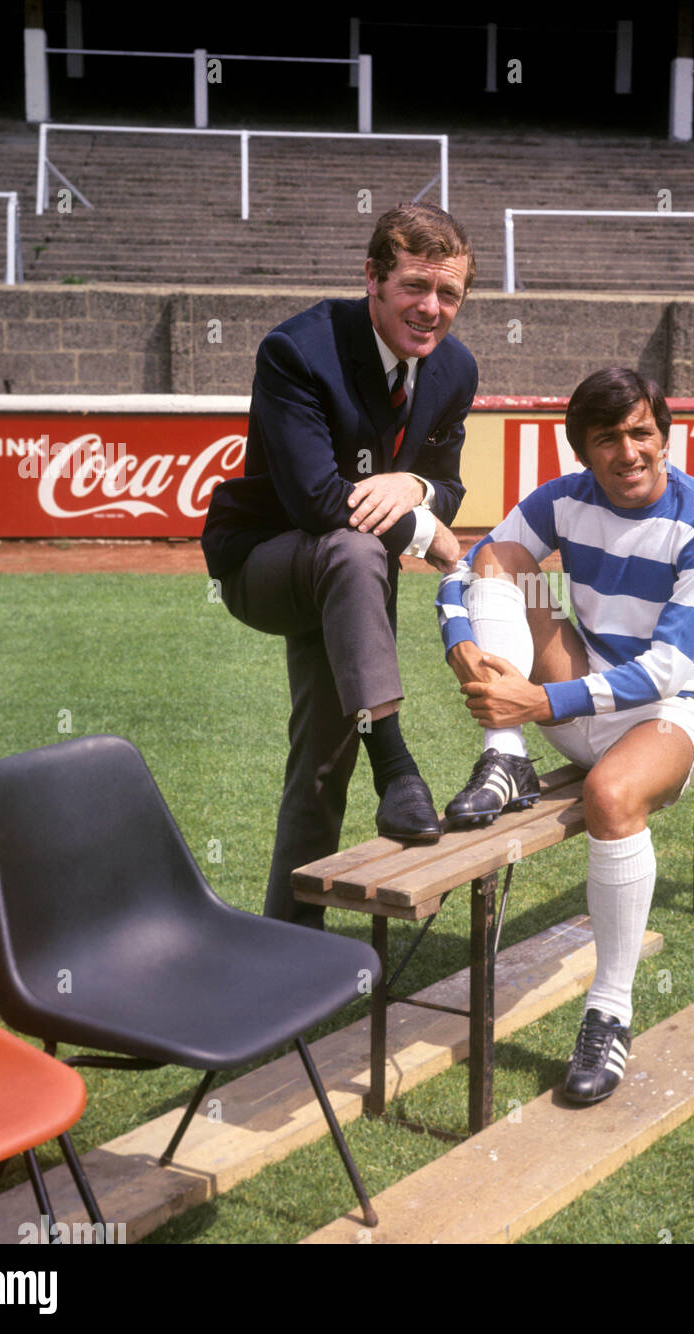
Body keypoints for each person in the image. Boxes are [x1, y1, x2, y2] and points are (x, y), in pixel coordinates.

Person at [435, 366, 694, 1104]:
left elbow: (668, 670)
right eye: (607, 439)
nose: (629, 452)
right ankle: (502, 760)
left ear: (663, 434)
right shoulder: (564, 499)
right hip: (581, 696)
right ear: (582, 451)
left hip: (680, 711)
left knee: (611, 795)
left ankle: (609, 1012)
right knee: (502, 565)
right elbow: (468, 567)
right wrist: (460, 643)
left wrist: (539, 701)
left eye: (641, 432)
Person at [202, 203, 476, 930]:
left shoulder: (455, 368)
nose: (431, 308)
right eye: (416, 286)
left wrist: (412, 488)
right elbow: (319, 502)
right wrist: (428, 530)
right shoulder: (296, 351)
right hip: (263, 562)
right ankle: (398, 765)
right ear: (372, 280)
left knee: (325, 757)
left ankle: (290, 939)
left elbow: (447, 483)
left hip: (350, 578)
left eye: (448, 294)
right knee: (353, 546)